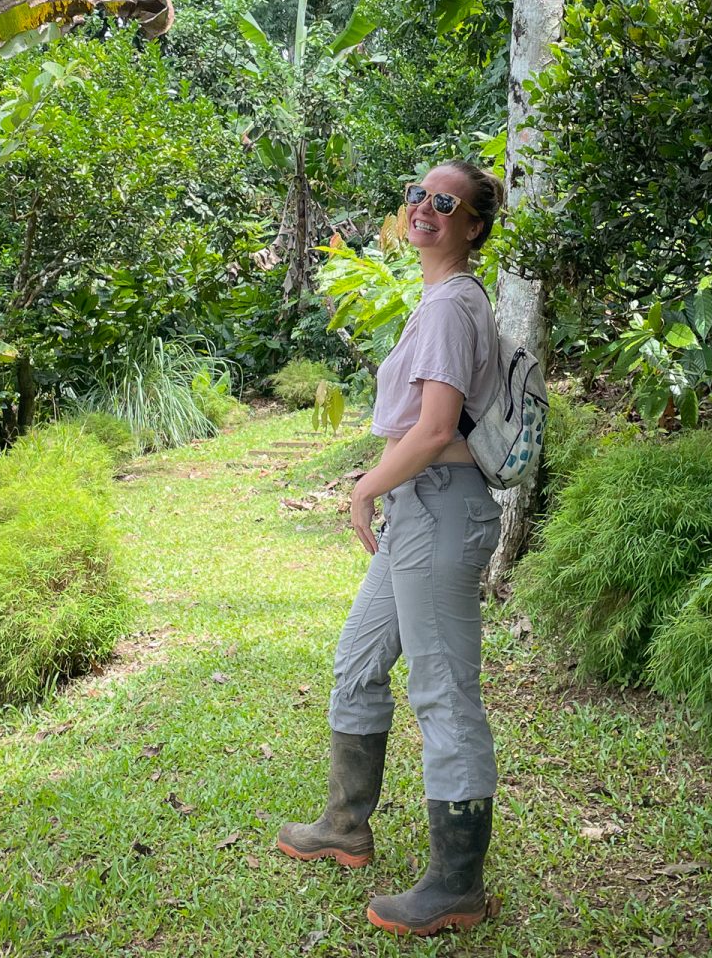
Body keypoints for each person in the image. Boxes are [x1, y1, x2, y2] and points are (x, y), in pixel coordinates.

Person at [277, 160, 506, 937]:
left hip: (441, 510)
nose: (425, 209)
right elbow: (421, 427)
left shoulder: (451, 306)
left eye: (447, 203)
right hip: (420, 507)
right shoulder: (439, 299)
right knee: (357, 660)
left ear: (472, 226)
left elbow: (437, 429)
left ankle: (456, 885)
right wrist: (382, 480)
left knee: (443, 692)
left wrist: (364, 486)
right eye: (418, 195)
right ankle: (346, 824)